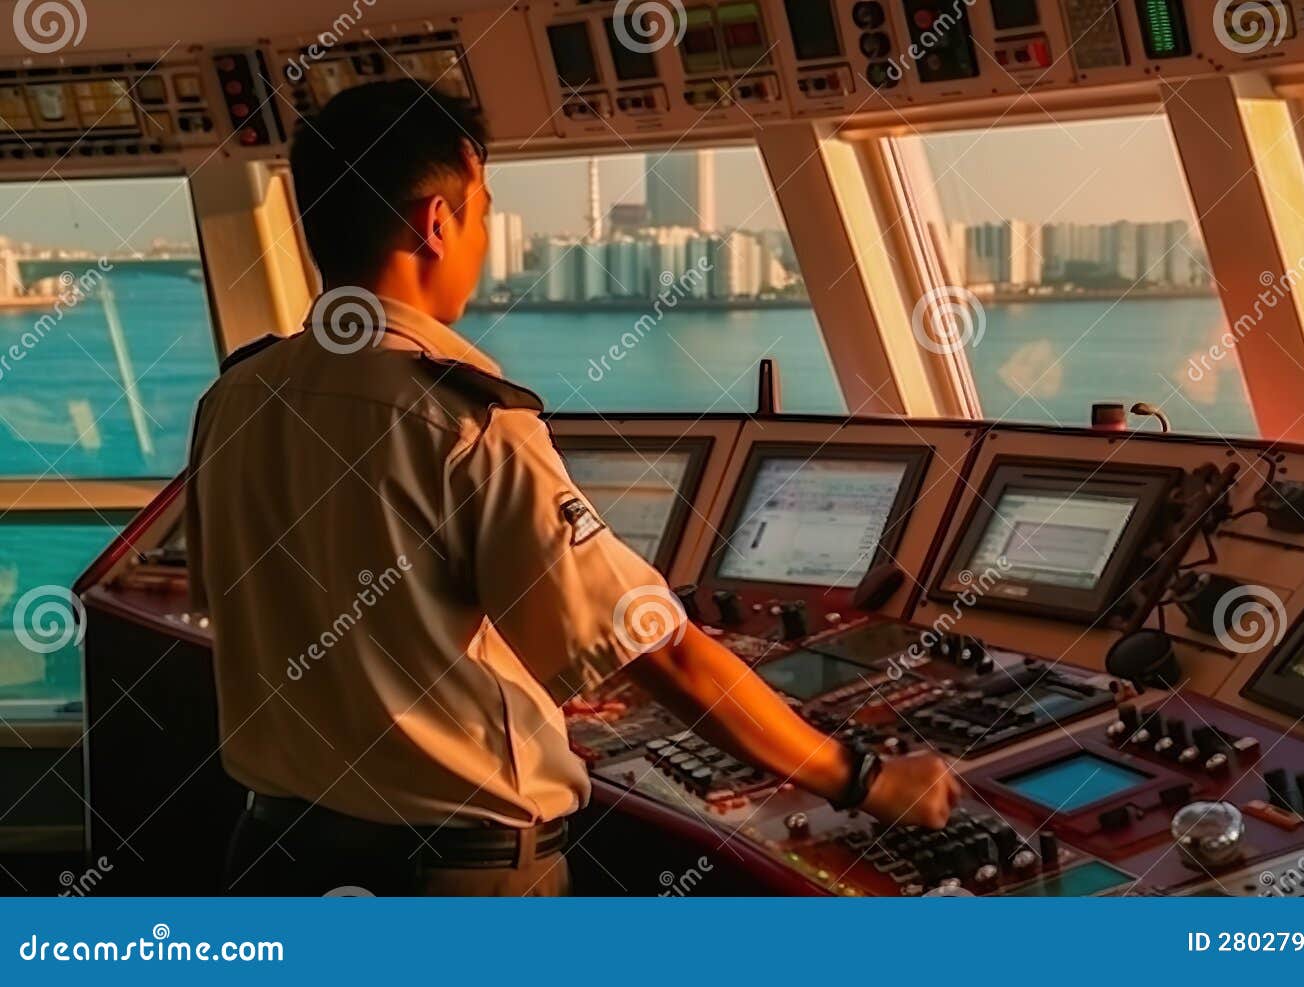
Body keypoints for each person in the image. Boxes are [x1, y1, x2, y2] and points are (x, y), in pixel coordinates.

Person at [186, 80, 959, 897]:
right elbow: (656, 647)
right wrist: (864, 776)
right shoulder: (467, 420)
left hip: (276, 859)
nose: (482, 236)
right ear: (435, 223)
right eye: (482, 208)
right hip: (448, 887)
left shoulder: (233, 400)